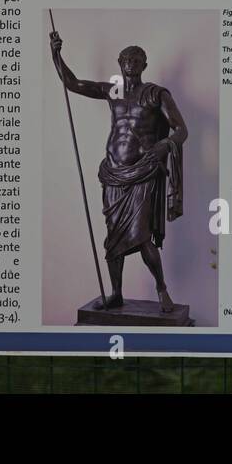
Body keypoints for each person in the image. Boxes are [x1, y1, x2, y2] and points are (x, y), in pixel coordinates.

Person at [51, 34, 186, 313]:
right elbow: (73, 84)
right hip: (113, 171)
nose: (131, 63)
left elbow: (181, 130)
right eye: (126, 59)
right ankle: (116, 294)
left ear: (144, 64)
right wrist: (56, 54)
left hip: (142, 172)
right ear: (119, 63)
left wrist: (164, 145)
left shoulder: (156, 94)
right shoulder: (114, 91)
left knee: (141, 235)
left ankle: (162, 289)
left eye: (136, 59)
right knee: (113, 237)